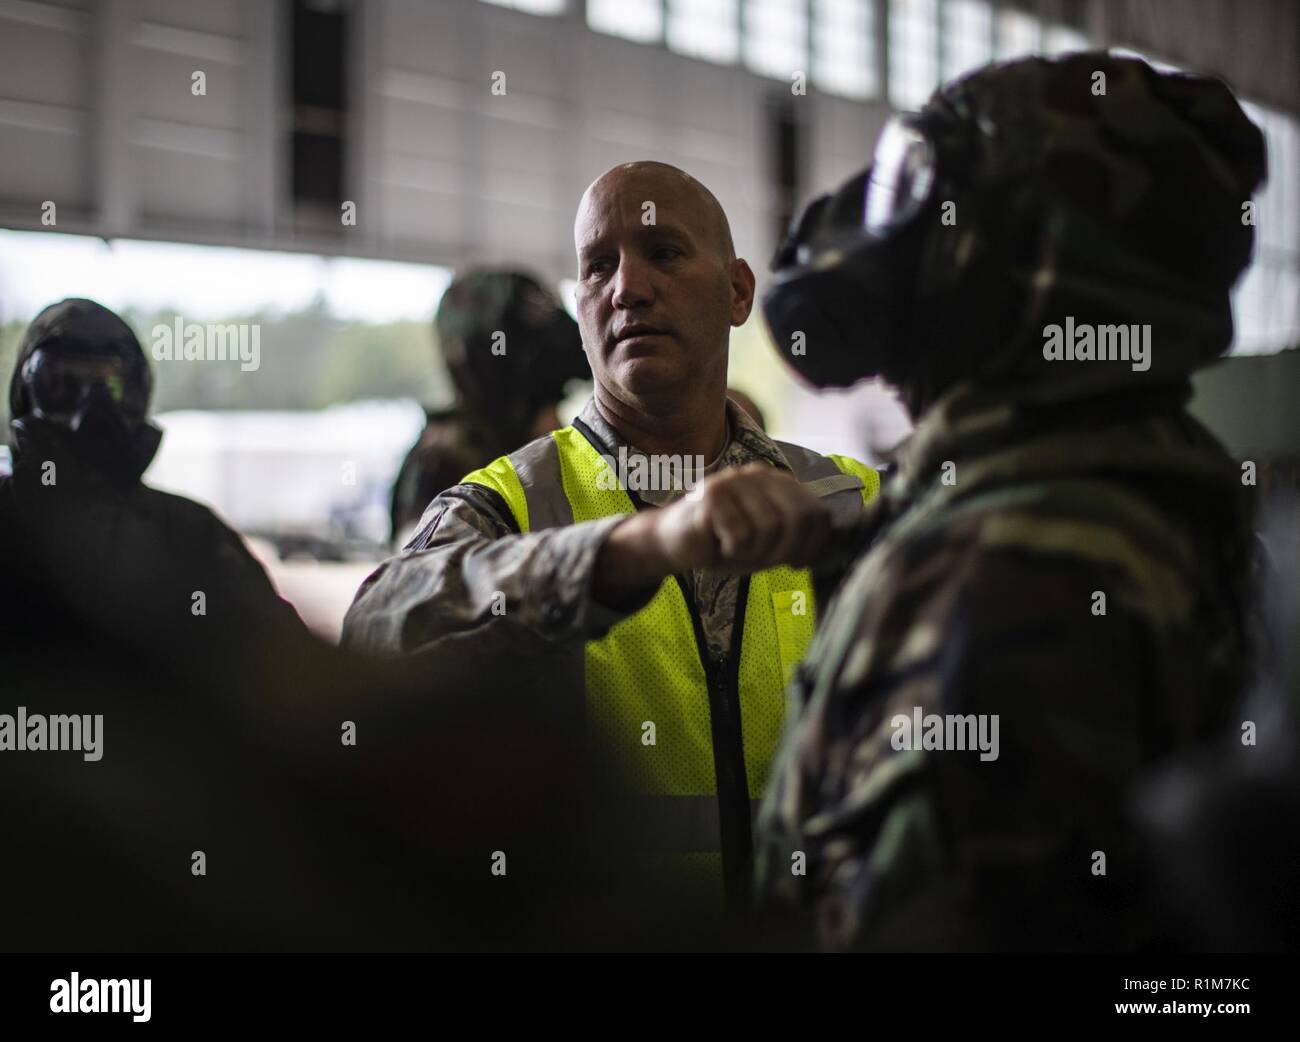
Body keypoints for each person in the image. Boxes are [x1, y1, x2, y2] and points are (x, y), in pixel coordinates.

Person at [754, 53, 1265, 949]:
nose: (877, 235)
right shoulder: (1162, 489)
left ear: (1032, 255)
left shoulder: (1008, 575)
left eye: (922, 191)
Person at [344, 161, 879, 902]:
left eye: (662, 252)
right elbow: (376, 632)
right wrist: (632, 550)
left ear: (738, 291)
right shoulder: (508, 504)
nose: (627, 287)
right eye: (598, 266)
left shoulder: (847, 499)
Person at [0, 298, 307, 674]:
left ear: (139, 394)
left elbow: (294, 667)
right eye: (63, 385)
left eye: (112, 385)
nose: (93, 410)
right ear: (25, 397)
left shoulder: (193, 532)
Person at [389, 269, 590, 547]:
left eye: (557, 399)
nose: (556, 425)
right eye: (547, 404)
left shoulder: (558, 455)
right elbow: (422, 576)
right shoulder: (444, 461)